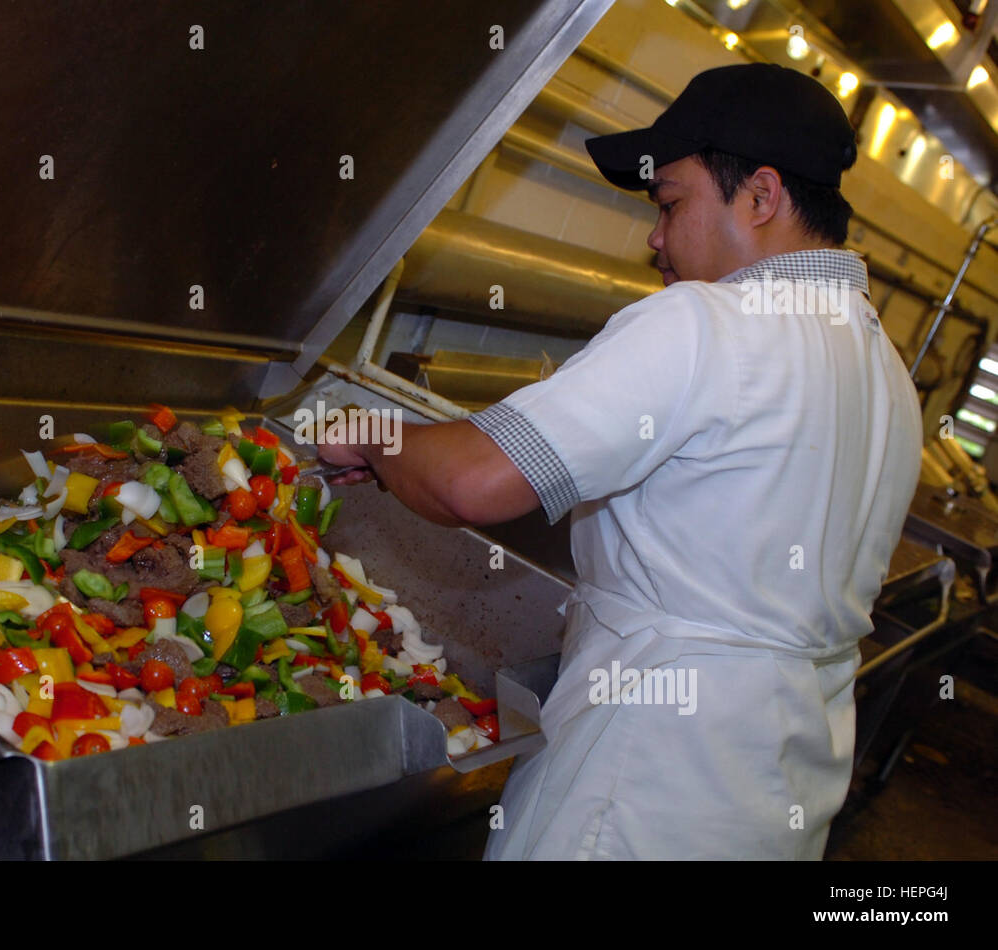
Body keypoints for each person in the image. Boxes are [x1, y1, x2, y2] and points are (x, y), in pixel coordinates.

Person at [315, 63, 922, 859]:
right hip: (780, 787)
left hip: (641, 784)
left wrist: (371, 436)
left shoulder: (710, 323)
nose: (656, 238)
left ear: (762, 197)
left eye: (671, 204)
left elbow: (473, 479)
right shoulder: (887, 372)